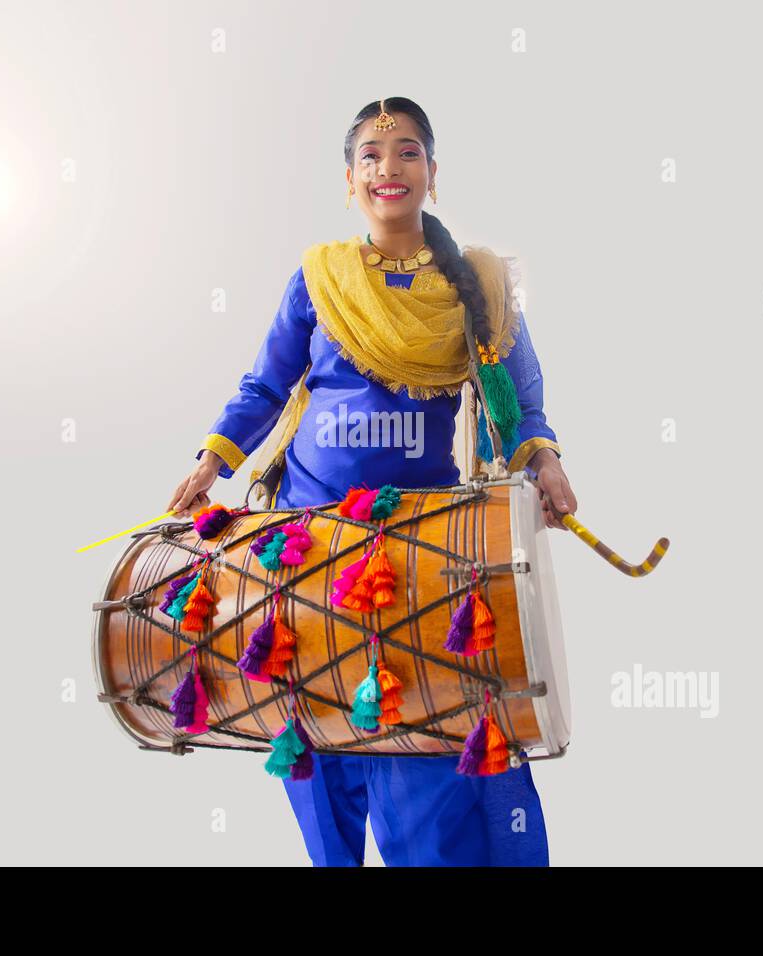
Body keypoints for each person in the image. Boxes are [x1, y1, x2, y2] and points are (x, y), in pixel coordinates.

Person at [166, 97, 579, 866]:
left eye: (408, 151)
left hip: (415, 554)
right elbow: (265, 386)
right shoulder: (319, 278)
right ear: (349, 178)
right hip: (302, 551)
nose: (389, 167)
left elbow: (519, 402)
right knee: (317, 768)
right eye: (371, 154)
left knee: (421, 767)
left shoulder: (477, 285)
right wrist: (210, 463)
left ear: (431, 171)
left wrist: (545, 460)